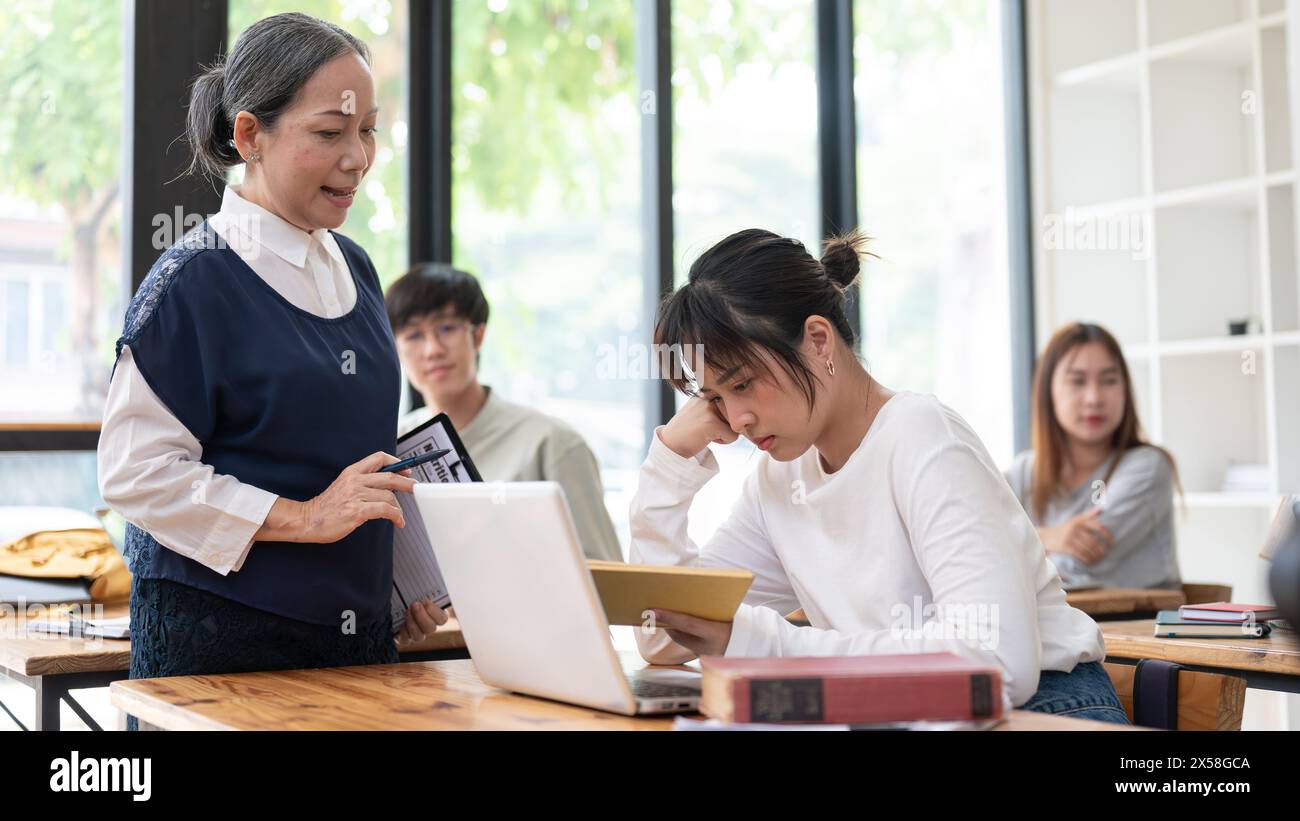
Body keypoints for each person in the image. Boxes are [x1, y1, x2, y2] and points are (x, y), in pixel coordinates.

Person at [97, 14, 445, 730]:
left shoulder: (357, 269)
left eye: (369, 130)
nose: (359, 157)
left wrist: (400, 581)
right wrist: (307, 517)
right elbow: (135, 473)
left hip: (356, 649)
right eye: (329, 133)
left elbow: (354, 460)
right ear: (250, 135)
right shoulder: (190, 282)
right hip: (223, 656)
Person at [628, 228, 1127, 722]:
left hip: (1046, 711)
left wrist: (762, 642)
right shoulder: (778, 482)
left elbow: (997, 665)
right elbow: (662, 633)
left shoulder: (923, 436)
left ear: (818, 340)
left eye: (742, 384)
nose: (736, 420)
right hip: (903, 714)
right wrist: (670, 463)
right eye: (714, 398)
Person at [386, 263, 622, 562]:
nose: (433, 349)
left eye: (447, 328)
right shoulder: (392, 447)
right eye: (413, 335)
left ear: (478, 336)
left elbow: (605, 574)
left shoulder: (551, 443)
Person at [1004, 322, 1182, 590]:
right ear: (1048, 391)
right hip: (1042, 628)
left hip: (1128, 627)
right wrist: (1048, 537)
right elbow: (968, 547)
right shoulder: (1024, 472)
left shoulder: (1148, 467)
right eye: (1077, 381)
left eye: (1109, 381)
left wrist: (1014, 546)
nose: (1094, 398)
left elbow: (1074, 566)